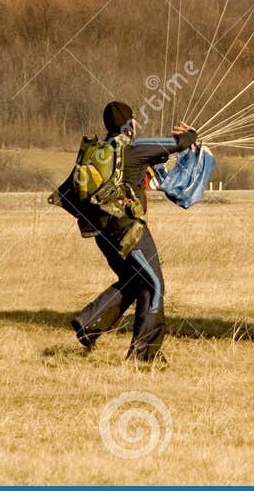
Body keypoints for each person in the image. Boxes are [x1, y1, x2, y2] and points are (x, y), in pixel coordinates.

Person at [67, 100, 197, 364]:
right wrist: (191, 134)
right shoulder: (134, 149)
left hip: (104, 234)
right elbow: (179, 144)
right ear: (129, 124)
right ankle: (143, 356)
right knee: (153, 285)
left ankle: (90, 322)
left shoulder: (99, 151)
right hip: (130, 233)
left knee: (133, 281)